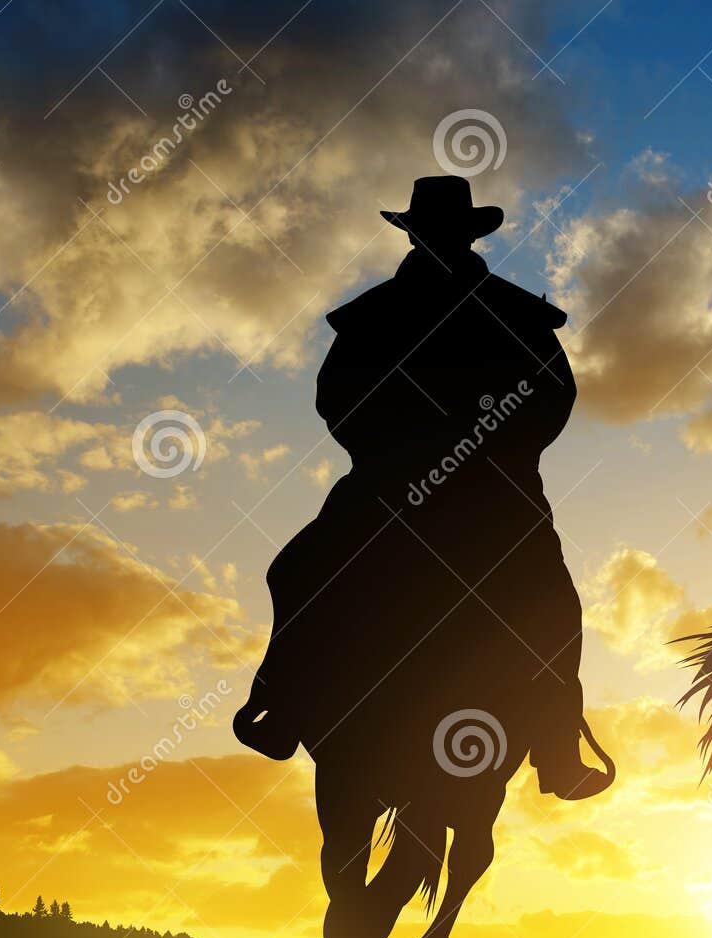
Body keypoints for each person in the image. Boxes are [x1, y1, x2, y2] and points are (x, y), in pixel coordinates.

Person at [234, 175, 612, 801]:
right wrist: (392, 446)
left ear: (465, 236)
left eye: (449, 234)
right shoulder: (372, 317)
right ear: (418, 235)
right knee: (295, 571)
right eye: (432, 233)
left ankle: (554, 746)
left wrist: (495, 445)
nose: (441, 242)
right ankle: (283, 706)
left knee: (552, 605)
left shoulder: (516, 314)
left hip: (488, 489)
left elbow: (553, 396)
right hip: (395, 484)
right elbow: (338, 401)